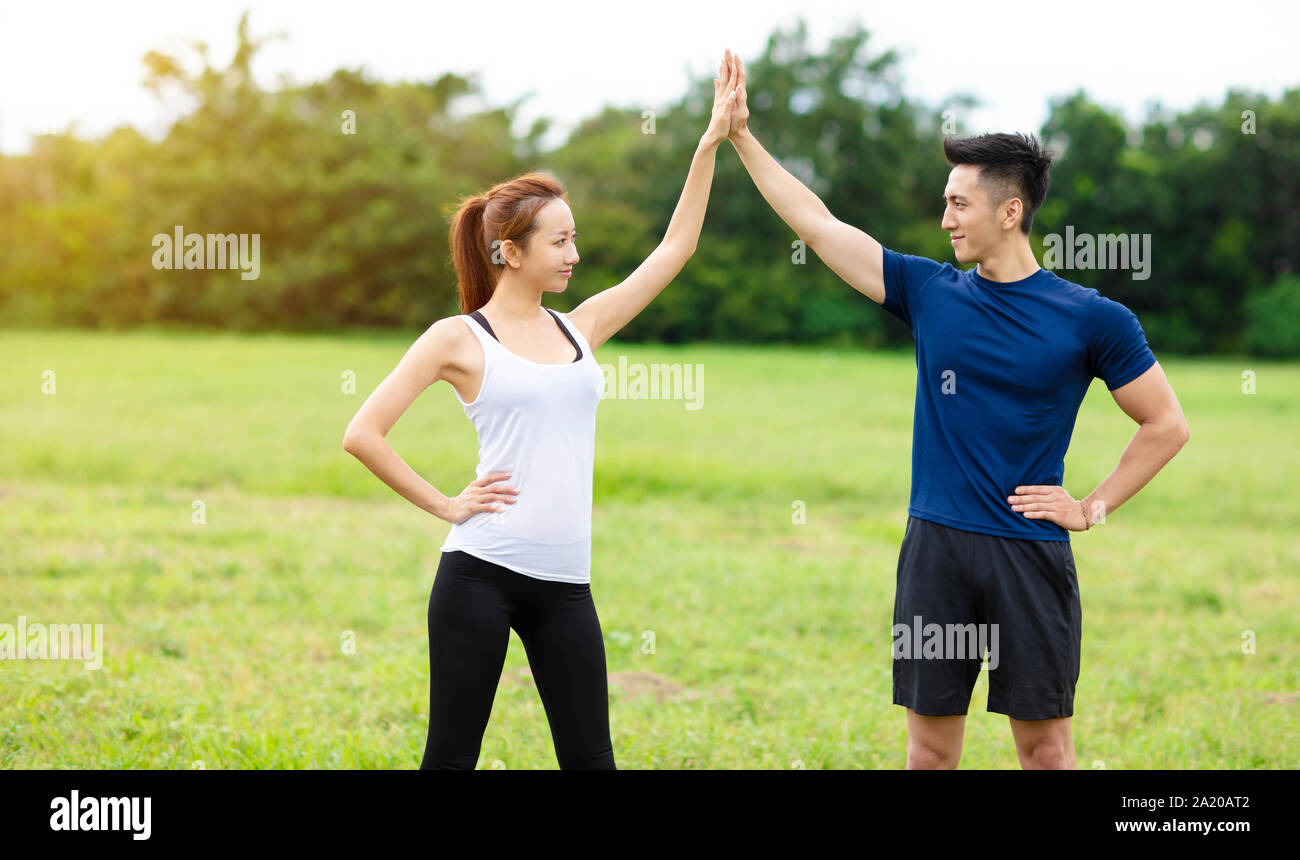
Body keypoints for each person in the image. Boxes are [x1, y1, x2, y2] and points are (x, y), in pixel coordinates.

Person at [717, 50, 1189, 769]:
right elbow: (816, 225)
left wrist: (1092, 506)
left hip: (1029, 557)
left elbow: (1166, 423)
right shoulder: (930, 292)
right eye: (944, 202)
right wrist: (742, 136)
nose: (944, 220)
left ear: (1010, 210)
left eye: (957, 203)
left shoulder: (1093, 319)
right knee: (931, 753)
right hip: (934, 550)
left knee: (1046, 751)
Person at [341, 57, 740, 769]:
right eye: (560, 241)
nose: (574, 254)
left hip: (566, 588)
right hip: (479, 575)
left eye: (574, 238)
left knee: (592, 762)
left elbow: (675, 249)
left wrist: (709, 144)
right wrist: (446, 503)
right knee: (451, 758)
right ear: (508, 251)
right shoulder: (459, 338)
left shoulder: (580, 328)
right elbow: (361, 434)